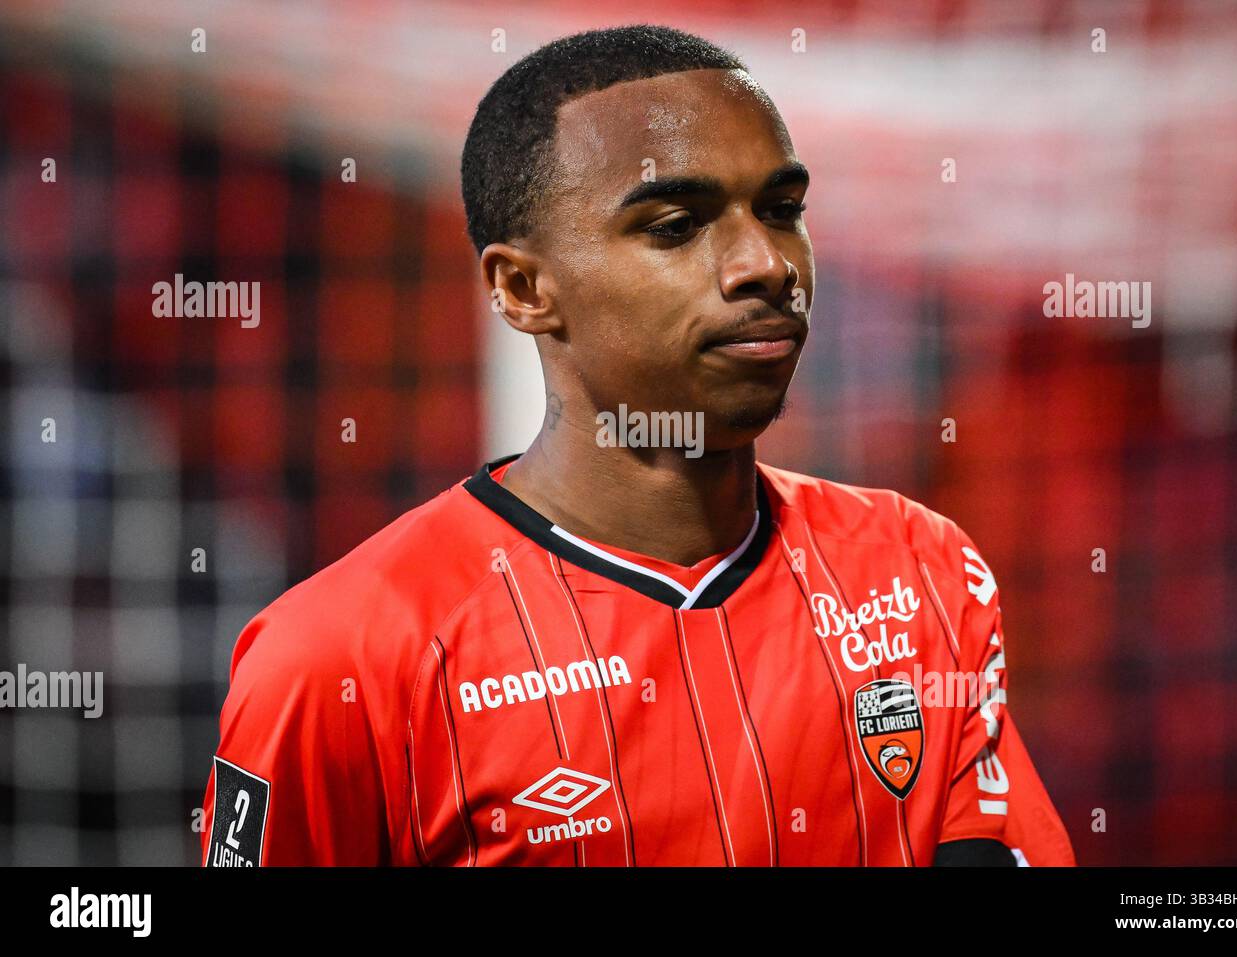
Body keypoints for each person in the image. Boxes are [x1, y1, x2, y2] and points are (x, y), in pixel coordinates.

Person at [200, 24, 1074, 867]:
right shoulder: (337, 658)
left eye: (781, 209)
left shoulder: (917, 569)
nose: (765, 263)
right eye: (675, 225)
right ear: (522, 287)